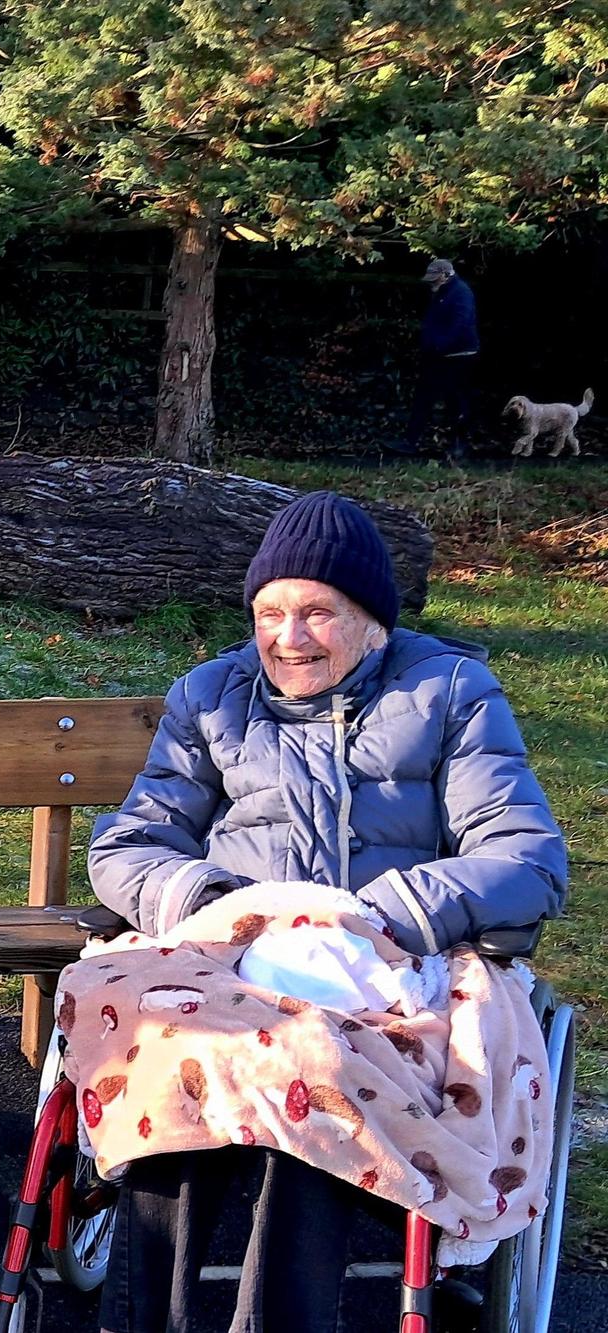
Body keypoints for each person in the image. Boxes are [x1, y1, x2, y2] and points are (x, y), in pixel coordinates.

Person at [87, 489, 567, 1333]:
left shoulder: (450, 689)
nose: (288, 636)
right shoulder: (210, 695)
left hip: (385, 964)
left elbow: (526, 857)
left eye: (318, 612)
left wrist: (388, 912)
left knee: (313, 1061)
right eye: (270, 611)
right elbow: (129, 844)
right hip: (233, 956)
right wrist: (210, 904)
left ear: (373, 620)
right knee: (168, 1052)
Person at [397, 257, 480, 464]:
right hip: (439, 355)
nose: (431, 282)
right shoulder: (443, 292)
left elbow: (461, 324)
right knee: (424, 398)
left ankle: (459, 446)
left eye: (435, 278)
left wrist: (440, 345)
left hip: (458, 357)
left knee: (456, 403)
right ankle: (410, 442)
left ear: (445, 275)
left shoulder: (461, 293)